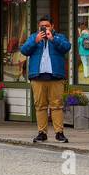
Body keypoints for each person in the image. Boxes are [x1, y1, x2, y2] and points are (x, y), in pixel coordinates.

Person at [19, 15, 71, 143]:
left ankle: (59, 133)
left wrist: (52, 39)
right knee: (40, 106)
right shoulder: (34, 37)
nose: (44, 28)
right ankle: (42, 132)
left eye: (47, 25)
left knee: (57, 105)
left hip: (55, 76)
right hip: (38, 76)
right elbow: (24, 50)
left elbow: (66, 47)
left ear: (52, 26)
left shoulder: (59, 37)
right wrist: (35, 41)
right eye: (42, 26)